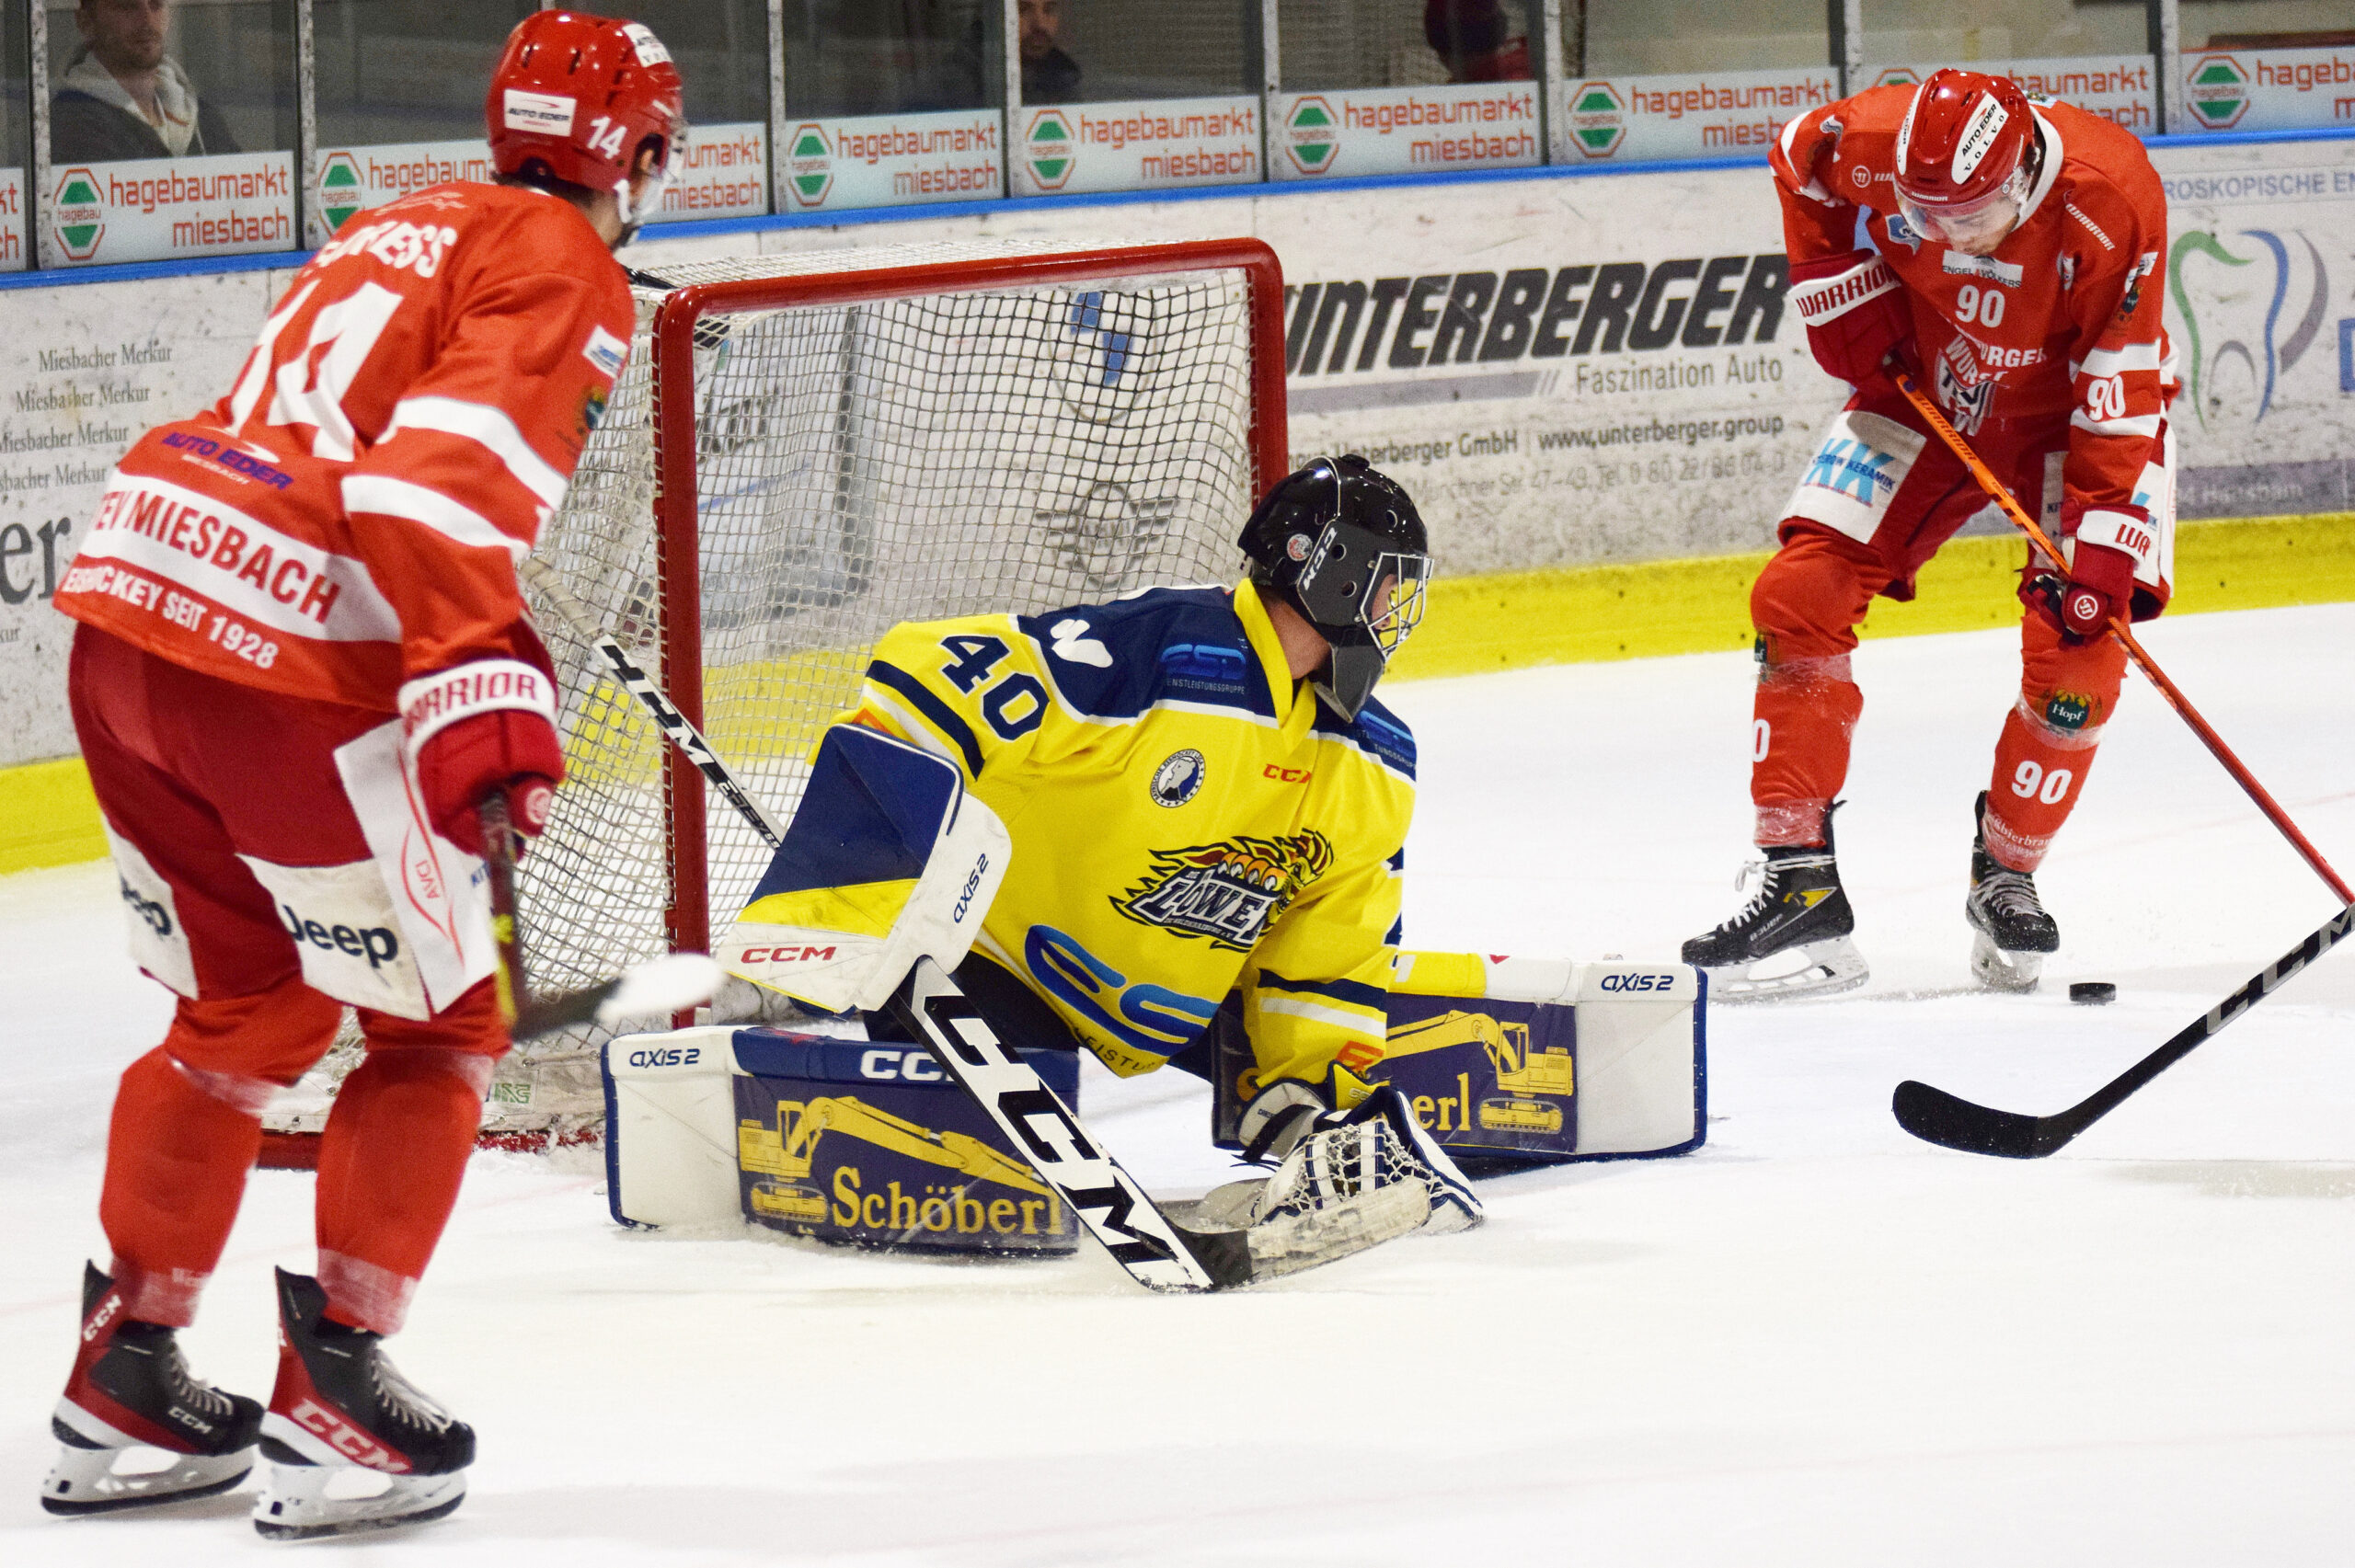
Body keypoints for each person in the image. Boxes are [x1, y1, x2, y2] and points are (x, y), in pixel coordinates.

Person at [39, 11, 683, 1539]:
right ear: (642, 156)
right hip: (278, 665)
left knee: (248, 1007)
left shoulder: (392, 223)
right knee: (444, 1017)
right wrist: (478, 687)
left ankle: (123, 1375)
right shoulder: (565, 262)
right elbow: (423, 487)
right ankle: (336, 1397)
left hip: (133, 604)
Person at [723, 455, 1482, 1230]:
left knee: (1357, 1088)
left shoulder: (1376, 762)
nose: (1397, 607)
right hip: (995, 965)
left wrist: (1320, 1106)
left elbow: (1333, 954)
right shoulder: (1162, 657)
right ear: (1332, 571)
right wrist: (855, 879)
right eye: (1391, 582)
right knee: (988, 1199)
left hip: (1165, 998)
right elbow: (936, 669)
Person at [1682, 69, 2174, 1000]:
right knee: (1797, 594)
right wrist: (1838, 286)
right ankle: (1797, 880)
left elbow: (2120, 376)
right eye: (1924, 213)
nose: (1947, 234)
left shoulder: (2112, 197)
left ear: (2024, 168)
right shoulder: (1869, 140)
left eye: (1973, 212)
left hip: (2077, 417)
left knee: (2078, 660)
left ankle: (2007, 870)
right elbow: (1799, 157)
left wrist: (2103, 548)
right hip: (1929, 380)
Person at [52, 0, 239, 163]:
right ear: (85, 21)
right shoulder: (71, 121)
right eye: (127, 7)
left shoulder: (200, 116)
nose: (147, 21)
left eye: (156, 5)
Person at [1018, 0, 1082, 104]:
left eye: (1049, 10)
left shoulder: (1068, 76)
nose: (1040, 24)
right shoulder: (987, 81)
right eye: (1023, 9)